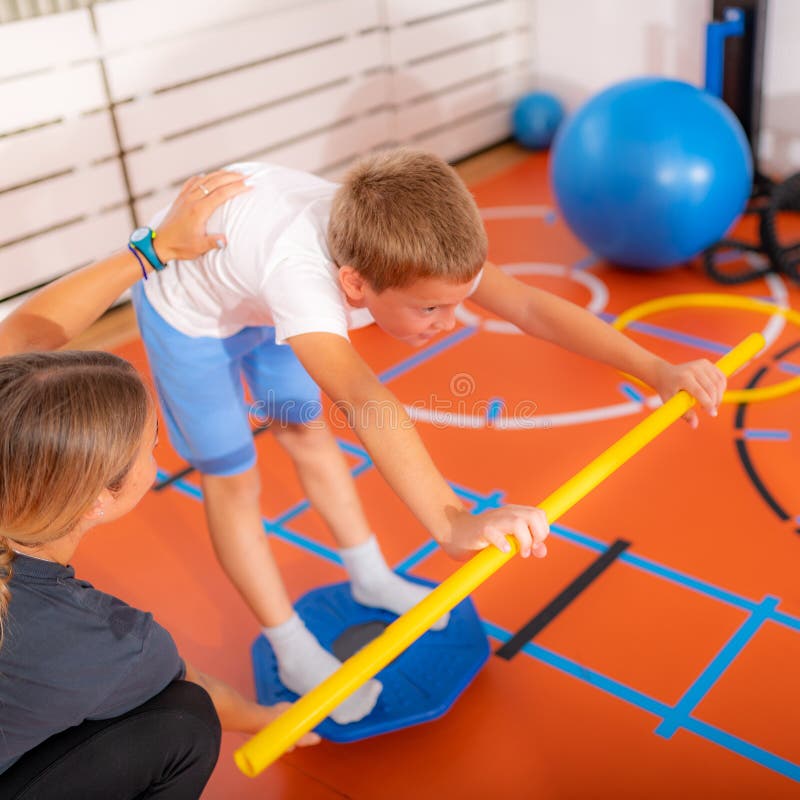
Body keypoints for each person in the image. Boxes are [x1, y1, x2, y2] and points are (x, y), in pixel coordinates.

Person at [133, 148, 727, 724]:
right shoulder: (302, 281)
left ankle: (371, 577)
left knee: (307, 436)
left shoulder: (409, 248)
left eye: (456, 305)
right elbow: (365, 399)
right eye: (430, 311)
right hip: (189, 314)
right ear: (354, 284)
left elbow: (528, 307)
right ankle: (289, 643)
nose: (448, 323)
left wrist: (656, 369)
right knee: (233, 479)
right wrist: (452, 521)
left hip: (257, 297)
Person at [0, 171, 318, 800]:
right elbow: (196, 687)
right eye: (149, 446)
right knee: (183, 720)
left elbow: (21, 339)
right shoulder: (96, 637)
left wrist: (155, 249)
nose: (159, 449)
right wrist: (272, 720)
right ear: (98, 500)